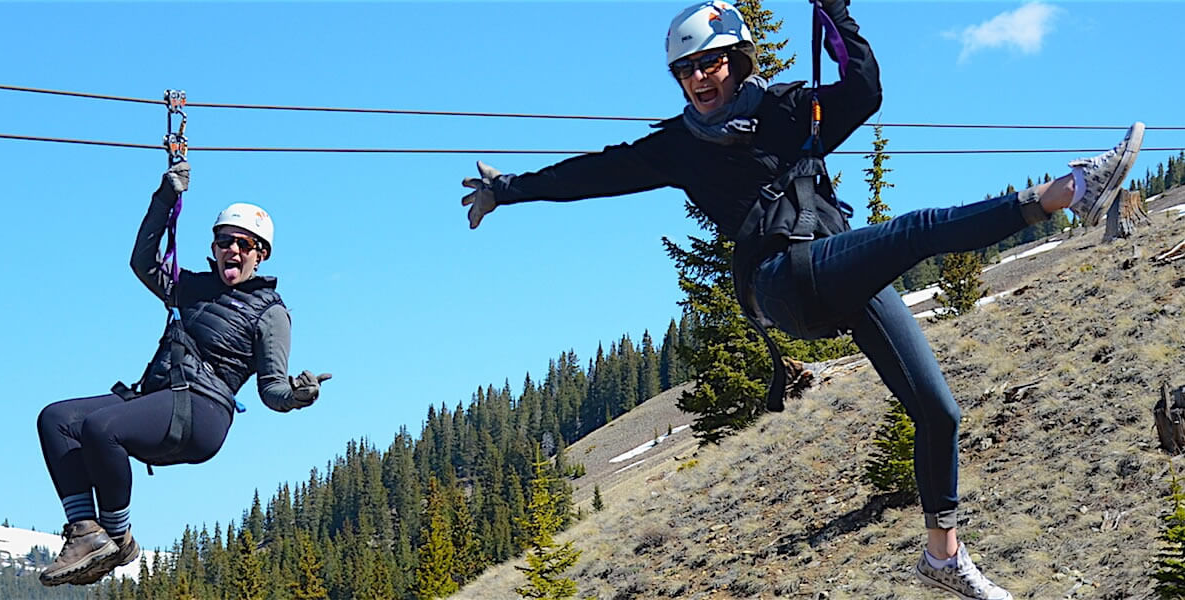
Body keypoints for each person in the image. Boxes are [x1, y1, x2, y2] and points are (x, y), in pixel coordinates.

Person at [456, 2, 1142, 598]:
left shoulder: (789, 112)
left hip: (836, 270)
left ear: (738, 60)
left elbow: (865, 91)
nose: (699, 79)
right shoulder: (677, 148)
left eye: (710, 63)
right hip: (780, 283)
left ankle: (943, 556)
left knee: (939, 411)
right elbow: (592, 174)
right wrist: (507, 190)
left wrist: (835, 12)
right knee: (916, 231)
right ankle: (1071, 191)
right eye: (686, 71)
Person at [34, 162, 331, 586]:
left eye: (244, 243)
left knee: (102, 428)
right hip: (159, 396)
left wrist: (298, 396)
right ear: (214, 247)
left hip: (203, 412)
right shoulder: (189, 288)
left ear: (260, 253)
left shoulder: (271, 312)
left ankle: (115, 537)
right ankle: (85, 531)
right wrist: (165, 198)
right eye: (224, 241)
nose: (233, 250)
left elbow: (272, 389)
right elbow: (142, 261)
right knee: (57, 419)